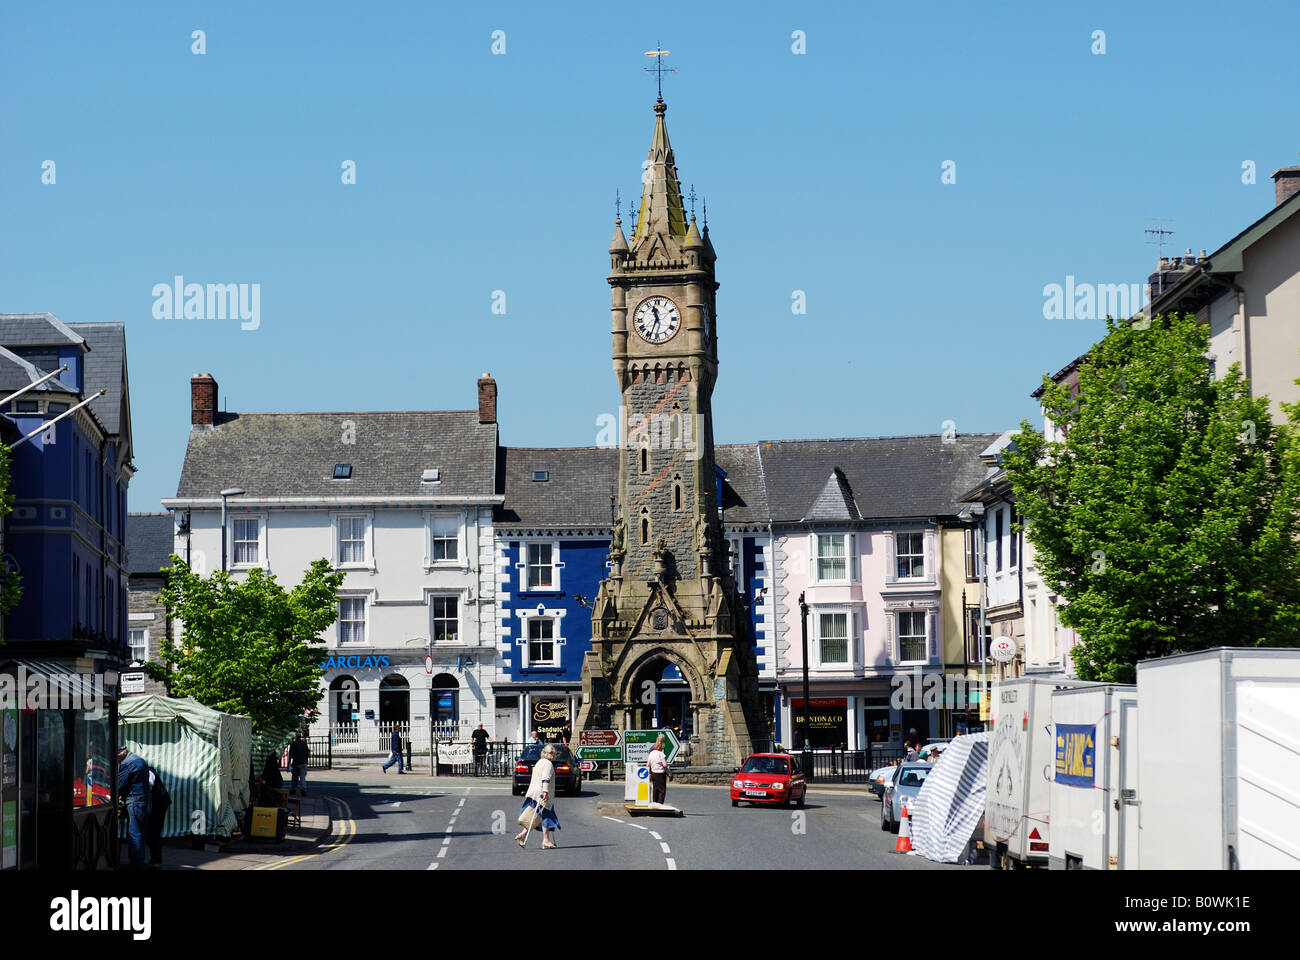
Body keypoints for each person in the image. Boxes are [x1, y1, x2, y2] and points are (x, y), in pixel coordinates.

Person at [514, 744, 561, 849]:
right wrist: (545, 792)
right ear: (552, 754)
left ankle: (523, 835)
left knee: (536, 816)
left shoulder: (539, 762)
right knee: (546, 816)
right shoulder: (548, 764)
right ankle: (546, 840)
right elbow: (545, 778)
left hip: (533, 793)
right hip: (541, 794)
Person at [116, 746, 152, 868]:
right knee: (140, 833)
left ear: (120, 755)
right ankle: (139, 862)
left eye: (116, 759)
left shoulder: (128, 763)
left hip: (135, 802)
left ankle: (136, 864)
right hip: (144, 801)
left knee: (134, 833)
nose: (117, 762)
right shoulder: (139, 760)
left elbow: (119, 784)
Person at [146, 764, 171, 867]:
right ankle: (155, 860)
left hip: (158, 805)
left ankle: (156, 861)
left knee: (153, 832)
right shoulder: (147, 770)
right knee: (152, 833)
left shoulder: (148, 772)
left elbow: (149, 787)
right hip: (157, 803)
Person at [646, 734, 669, 805]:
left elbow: (648, 765)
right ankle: (660, 804)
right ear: (662, 747)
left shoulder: (651, 754)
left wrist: (650, 773)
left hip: (653, 773)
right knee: (662, 790)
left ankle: (654, 803)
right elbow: (664, 765)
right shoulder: (661, 754)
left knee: (655, 789)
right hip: (661, 773)